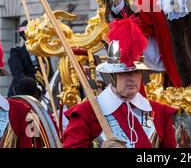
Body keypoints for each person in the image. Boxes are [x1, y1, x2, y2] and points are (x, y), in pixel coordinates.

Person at [62, 16, 177, 148]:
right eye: (124, 73)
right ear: (112, 75)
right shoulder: (86, 113)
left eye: (136, 72)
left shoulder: (160, 113)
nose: (132, 78)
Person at [8, 20, 49, 98]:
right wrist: (33, 86)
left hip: (42, 92)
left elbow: (49, 73)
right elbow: (18, 74)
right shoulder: (16, 52)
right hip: (22, 91)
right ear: (23, 35)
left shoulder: (43, 52)